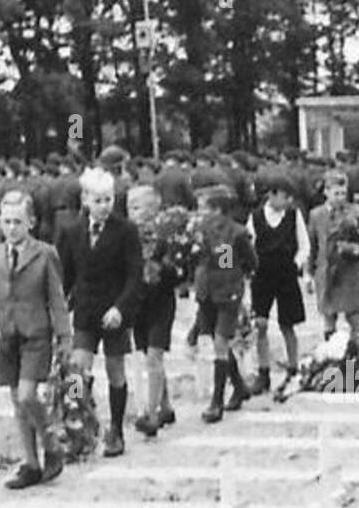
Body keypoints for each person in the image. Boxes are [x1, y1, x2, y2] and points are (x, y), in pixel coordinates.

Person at [0, 188, 71, 488]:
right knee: (16, 403)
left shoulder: (45, 253)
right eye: (7, 221)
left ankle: (51, 443)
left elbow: (57, 298)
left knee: (27, 395)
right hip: (7, 336)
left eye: (18, 222)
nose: (12, 228)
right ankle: (31, 463)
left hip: (36, 333)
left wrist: (64, 337)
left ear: (31, 222)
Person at [57, 166, 142, 456]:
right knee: (76, 372)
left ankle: (116, 430)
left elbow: (135, 274)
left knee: (115, 370)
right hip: (85, 311)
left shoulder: (126, 231)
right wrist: (59, 310)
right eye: (98, 200)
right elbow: (64, 276)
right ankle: (78, 425)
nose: (105, 206)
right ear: (85, 200)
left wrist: (121, 307)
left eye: (109, 199)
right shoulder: (70, 232)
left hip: (114, 312)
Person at [193, 185, 258, 423]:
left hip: (227, 292)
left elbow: (239, 262)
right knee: (216, 341)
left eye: (204, 209)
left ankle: (217, 401)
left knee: (221, 342)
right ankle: (239, 386)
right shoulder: (198, 230)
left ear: (218, 210)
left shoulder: (235, 233)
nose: (200, 214)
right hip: (206, 292)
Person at [128, 184, 181, 435]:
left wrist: (162, 268)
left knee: (153, 357)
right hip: (139, 303)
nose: (133, 212)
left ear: (155, 208)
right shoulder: (127, 235)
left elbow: (179, 269)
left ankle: (150, 416)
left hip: (161, 301)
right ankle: (166, 405)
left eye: (138, 207)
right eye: (130, 207)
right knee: (149, 356)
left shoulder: (167, 234)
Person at [247, 180, 309, 395]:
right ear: (272, 195)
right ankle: (263, 372)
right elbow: (247, 245)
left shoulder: (293, 215)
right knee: (260, 324)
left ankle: (293, 368)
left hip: (286, 274)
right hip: (262, 274)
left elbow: (304, 245)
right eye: (285, 196)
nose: (289, 201)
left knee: (288, 324)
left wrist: (296, 264)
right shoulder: (255, 218)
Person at [309, 169, 359, 340]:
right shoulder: (316, 215)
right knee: (328, 315)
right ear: (326, 192)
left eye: (343, 193)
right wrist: (308, 272)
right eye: (336, 193)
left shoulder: (355, 213)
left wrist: (356, 249)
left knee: (353, 315)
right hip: (326, 270)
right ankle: (331, 352)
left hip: (349, 270)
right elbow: (312, 245)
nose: (340, 197)